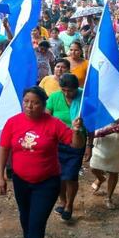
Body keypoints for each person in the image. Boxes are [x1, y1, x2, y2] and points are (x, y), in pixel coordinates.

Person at [0, 87, 87, 238]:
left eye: (35, 103)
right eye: (26, 102)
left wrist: (77, 131)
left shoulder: (53, 123)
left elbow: (76, 144)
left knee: (37, 221)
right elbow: (4, 148)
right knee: (25, 216)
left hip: (47, 182)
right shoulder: (13, 122)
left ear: (43, 105)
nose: (29, 106)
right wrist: (0, 175)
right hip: (21, 180)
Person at [90, 78, 119, 209]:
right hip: (101, 137)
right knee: (94, 166)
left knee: (114, 170)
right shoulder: (101, 101)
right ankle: (100, 178)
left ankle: (109, 197)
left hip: (118, 139)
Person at [45, 74, 84, 222]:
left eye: (70, 91)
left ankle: (70, 205)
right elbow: (46, 118)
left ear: (76, 89)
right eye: (64, 90)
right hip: (56, 143)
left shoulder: (83, 97)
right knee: (59, 176)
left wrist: (90, 146)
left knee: (71, 176)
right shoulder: (54, 98)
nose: (67, 93)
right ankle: (62, 201)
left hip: (76, 141)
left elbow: (91, 122)